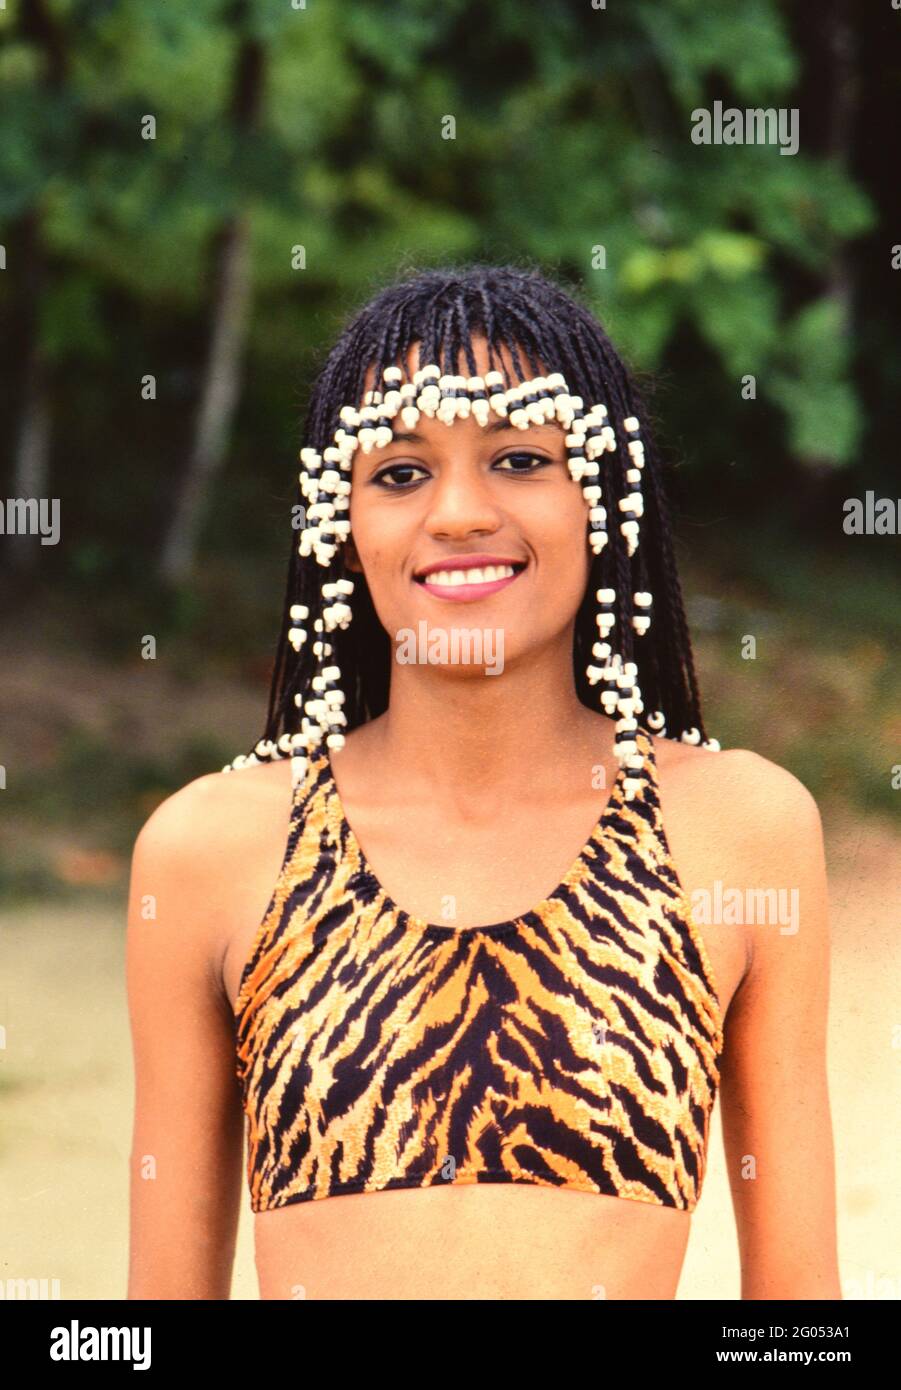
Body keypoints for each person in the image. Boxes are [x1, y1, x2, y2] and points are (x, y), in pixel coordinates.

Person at [126, 264, 840, 1300]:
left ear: (602, 497)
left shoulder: (739, 833)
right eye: (401, 473)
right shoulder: (209, 850)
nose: (459, 512)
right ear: (342, 521)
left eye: (517, 458)